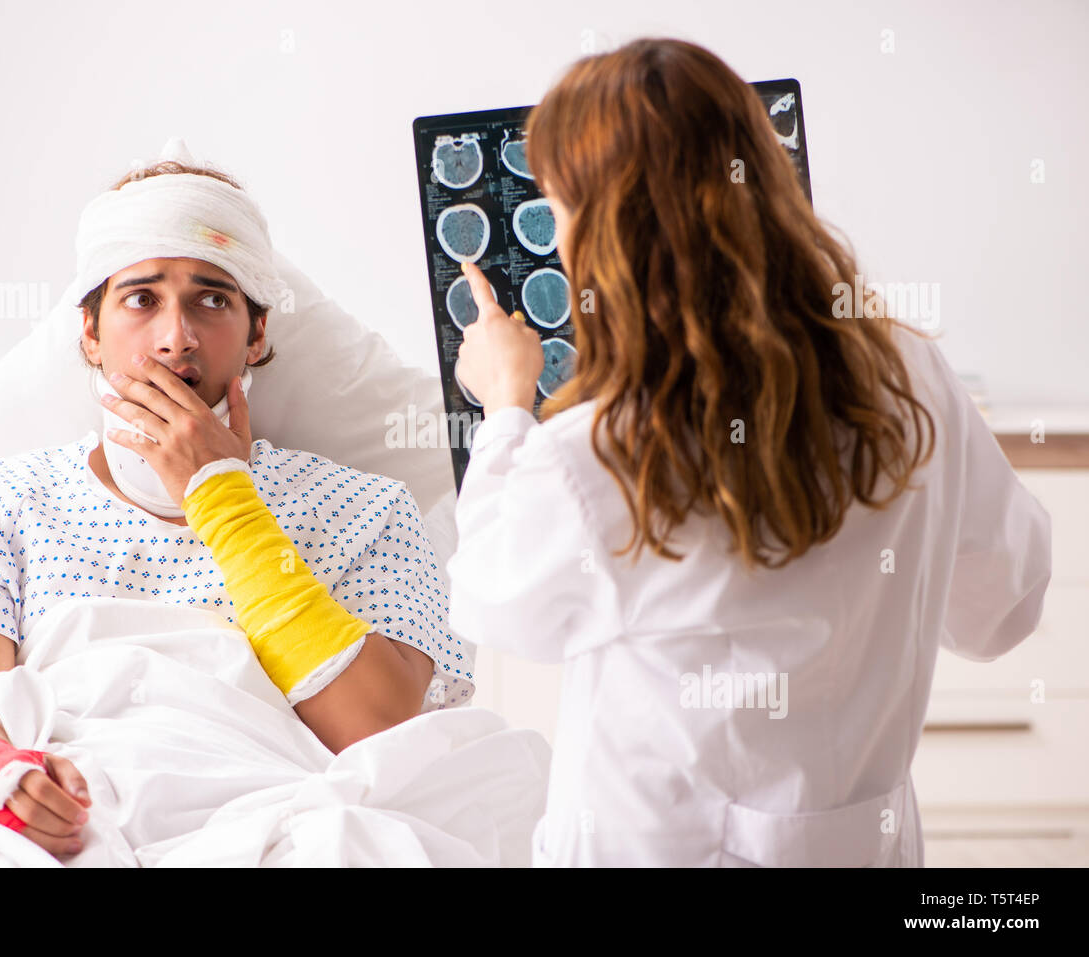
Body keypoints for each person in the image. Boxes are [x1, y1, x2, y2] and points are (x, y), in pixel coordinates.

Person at [445, 38, 1051, 866]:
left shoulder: (608, 449)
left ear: (610, 232)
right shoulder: (912, 375)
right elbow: (1004, 609)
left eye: (561, 211)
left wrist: (506, 406)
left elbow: (493, 602)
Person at [0, 142, 474, 860]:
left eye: (212, 299)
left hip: (287, 823)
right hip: (64, 824)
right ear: (90, 332)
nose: (176, 338)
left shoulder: (365, 509)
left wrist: (223, 500)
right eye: (141, 298)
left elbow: (376, 731)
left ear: (257, 333)